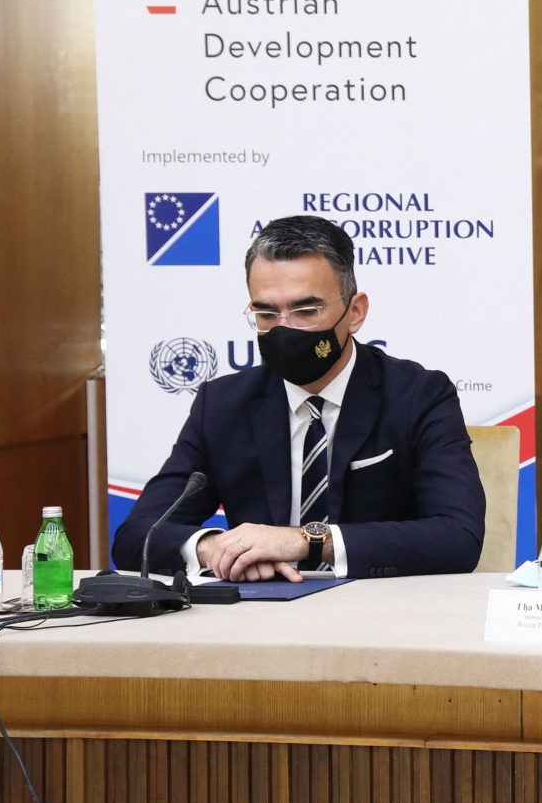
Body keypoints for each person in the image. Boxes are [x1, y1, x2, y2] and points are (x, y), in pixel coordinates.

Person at [112, 214, 484, 581]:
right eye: (266, 313)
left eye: (306, 311)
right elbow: (135, 536)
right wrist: (215, 548)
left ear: (355, 312)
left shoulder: (418, 395)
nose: (284, 329)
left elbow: (457, 536)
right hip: (256, 618)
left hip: (380, 613)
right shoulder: (223, 404)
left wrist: (305, 541)